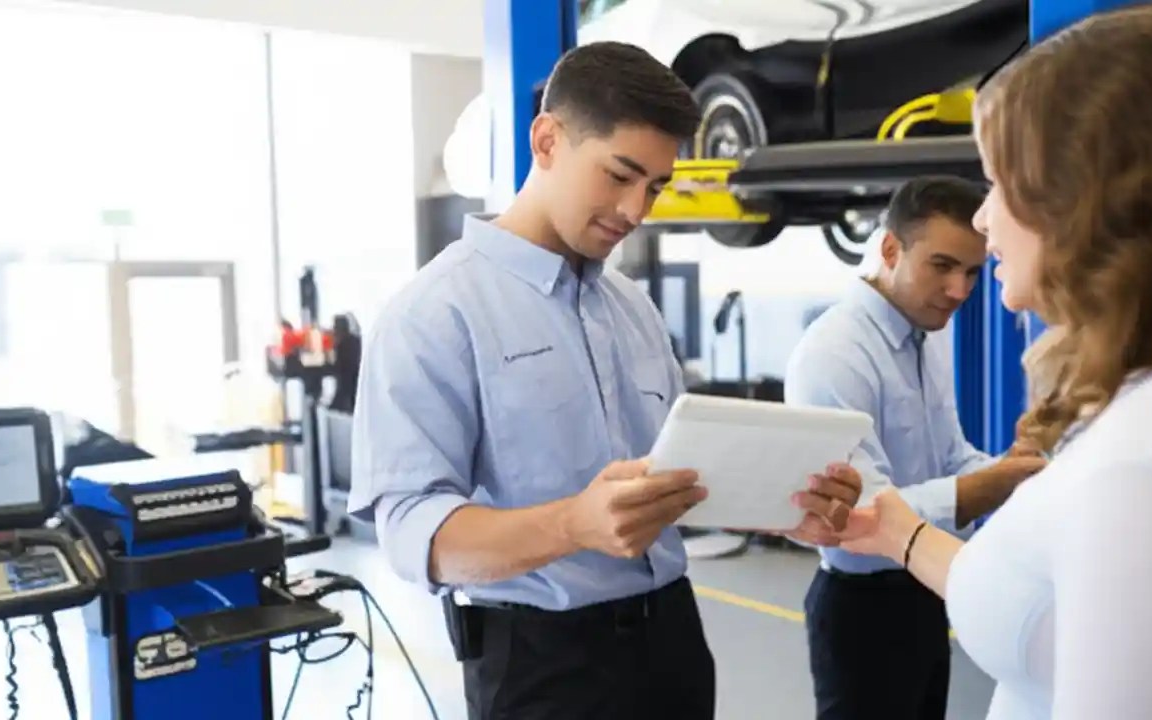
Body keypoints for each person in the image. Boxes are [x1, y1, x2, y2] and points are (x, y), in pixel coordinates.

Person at [347, 41, 863, 720]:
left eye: (654, 185)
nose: (635, 210)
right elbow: (417, 535)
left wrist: (788, 508)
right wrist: (572, 525)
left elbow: (679, 479)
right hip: (543, 666)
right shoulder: (433, 314)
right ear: (548, 140)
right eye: (619, 174)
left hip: (673, 643)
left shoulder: (633, 309)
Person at [836, 3, 1152, 719]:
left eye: (999, 184)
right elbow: (1040, 611)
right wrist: (894, 530)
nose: (983, 220)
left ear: (1082, 200)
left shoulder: (1150, 458)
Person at [785, 176, 1047, 720]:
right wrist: (999, 482)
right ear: (889, 249)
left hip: (926, 588)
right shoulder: (834, 353)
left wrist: (1023, 467)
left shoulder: (926, 337)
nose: (960, 290)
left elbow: (952, 458)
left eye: (973, 272)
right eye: (943, 266)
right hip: (862, 609)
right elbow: (864, 514)